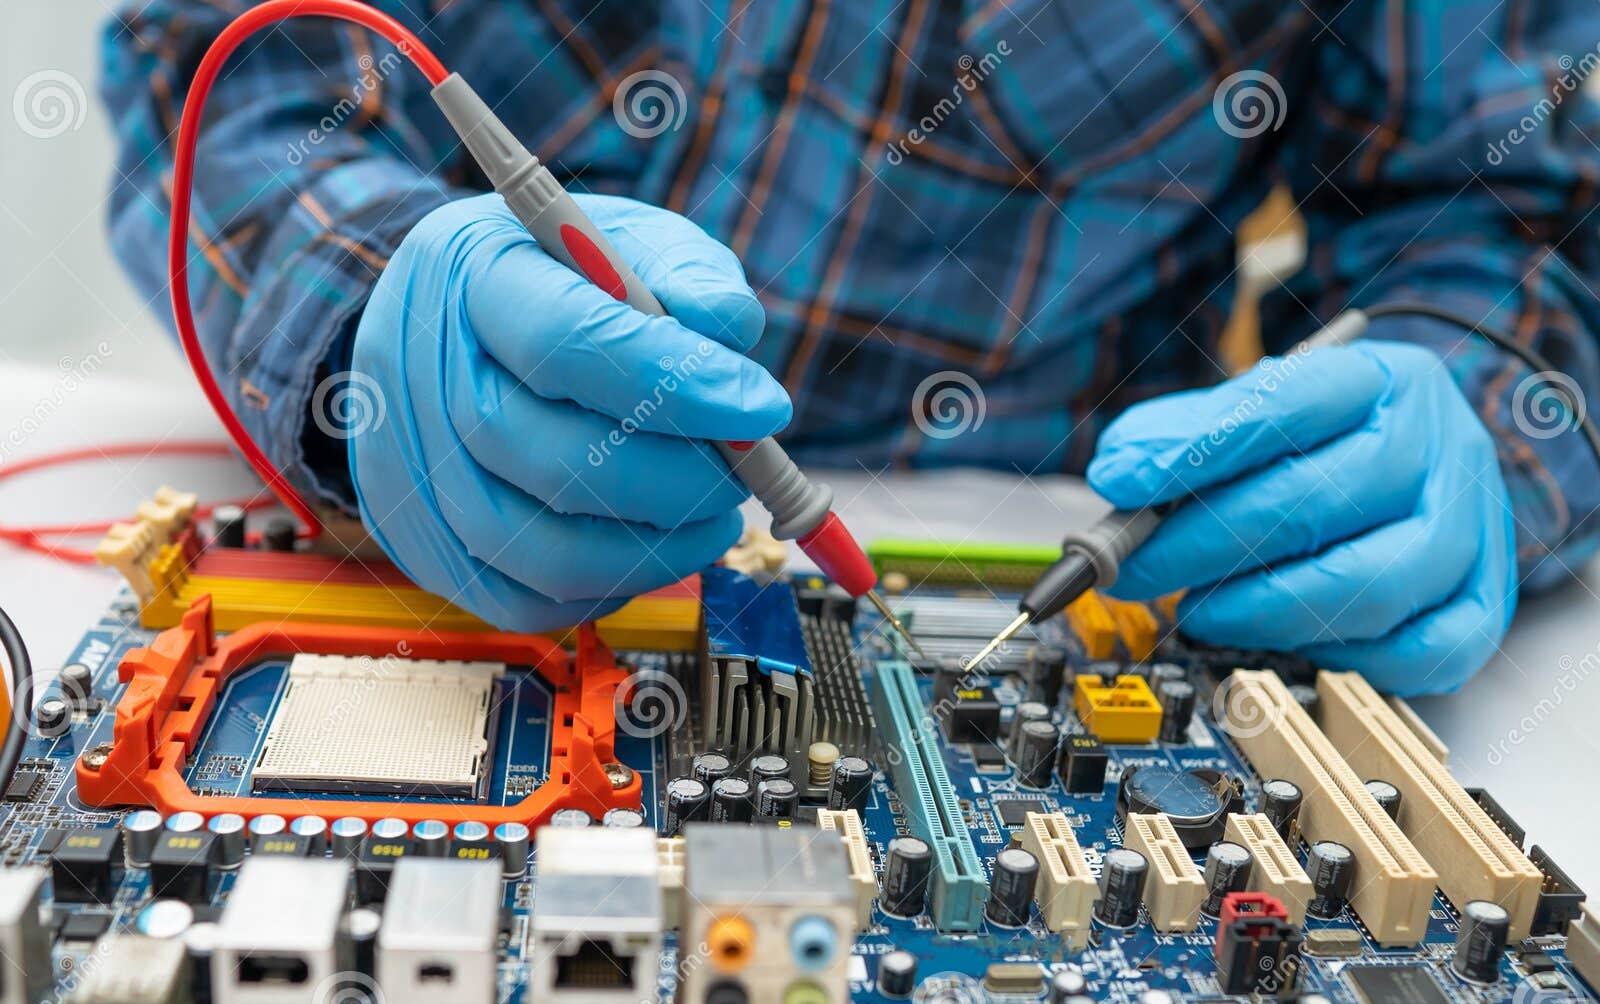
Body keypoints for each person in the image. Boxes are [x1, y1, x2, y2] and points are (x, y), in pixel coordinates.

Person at [102, 2, 1600, 695]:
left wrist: (1478, 398)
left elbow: (1515, 213)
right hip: (386, 550)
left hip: (1058, 528)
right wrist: (364, 318)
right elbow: (214, 56)